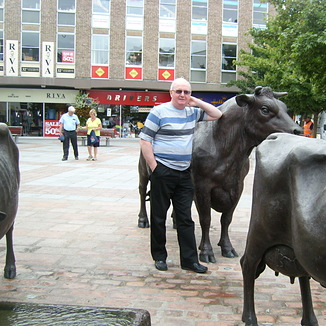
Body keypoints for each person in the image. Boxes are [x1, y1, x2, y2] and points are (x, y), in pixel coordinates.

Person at [139, 77, 222, 273]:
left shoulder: (192, 113)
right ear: (171, 93)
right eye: (179, 91)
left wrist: (196, 102)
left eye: (186, 92)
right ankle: (160, 257)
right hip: (163, 171)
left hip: (184, 173)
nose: (182, 95)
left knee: (185, 219)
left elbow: (217, 114)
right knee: (159, 217)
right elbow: (145, 140)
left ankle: (189, 260)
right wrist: (155, 167)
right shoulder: (158, 112)